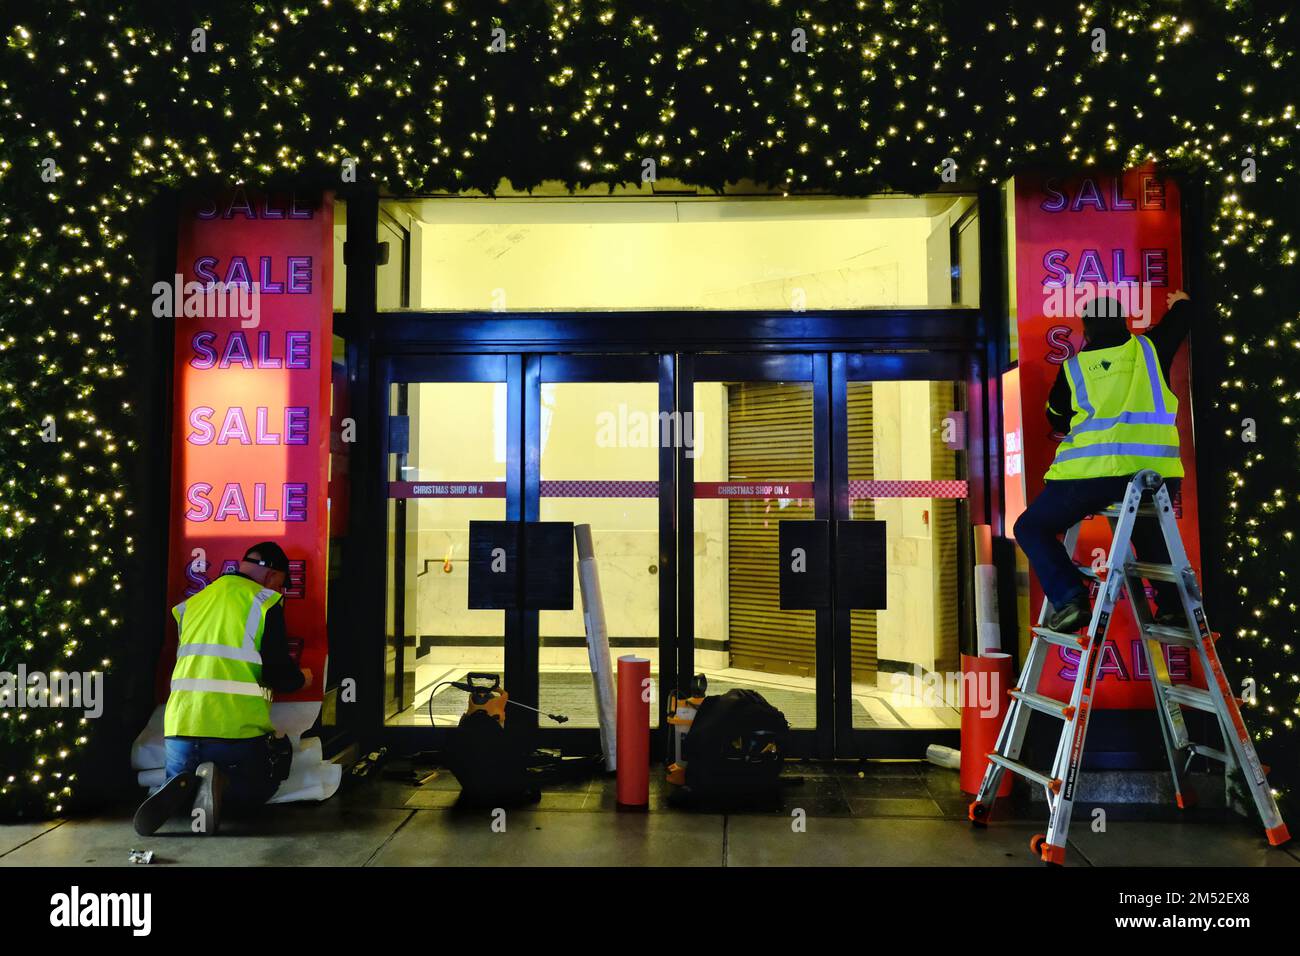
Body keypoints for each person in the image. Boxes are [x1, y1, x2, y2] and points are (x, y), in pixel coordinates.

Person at [1014, 290, 1193, 633]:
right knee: (1149, 532)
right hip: (1155, 475)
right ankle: (1174, 609)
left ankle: (1070, 599)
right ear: (1123, 322)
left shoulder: (1075, 368)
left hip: (1088, 478)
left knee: (1030, 528)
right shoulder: (1149, 349)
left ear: (1087, 330)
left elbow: (1056, 417)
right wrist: (1180, 302)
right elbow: (1180, 320)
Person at [133, 542, 311, 835]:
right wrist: (302, 678)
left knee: (185, 773)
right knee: (265, 780)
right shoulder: (265, 602)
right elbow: (279, 673)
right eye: (281, 584)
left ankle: (187, 791)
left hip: (180, 730)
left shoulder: (192, 604)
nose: (281, 592)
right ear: (272, 576)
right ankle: (224, 786)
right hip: (235, 734)